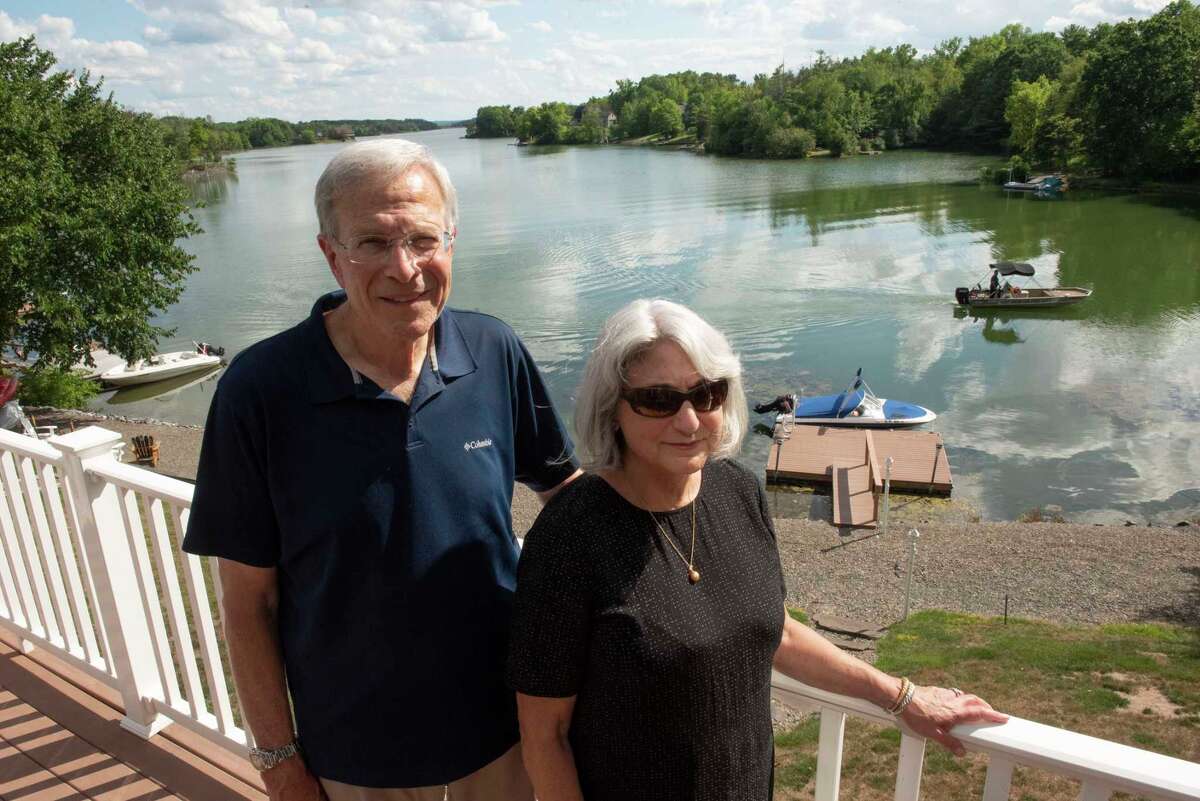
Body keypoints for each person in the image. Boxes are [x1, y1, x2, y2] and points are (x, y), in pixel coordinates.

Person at [183, 139, 580, 801]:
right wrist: (280, 763)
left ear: (452, 240)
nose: (405, 269)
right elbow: (247, 603)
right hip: (355, 758)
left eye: (424, 239)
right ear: (330, 252)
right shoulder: (261, 390)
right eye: (372, 242)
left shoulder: (494, 350)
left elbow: (566, 494)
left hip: (505, 736)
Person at [507, 299, 1006, 801]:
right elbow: (545, 738)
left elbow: (776, 629)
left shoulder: (737, 490)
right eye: (658, 400)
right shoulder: (571, 535)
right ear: (612, 407)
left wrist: (901, 696)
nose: (688, 421)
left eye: (706, 394)